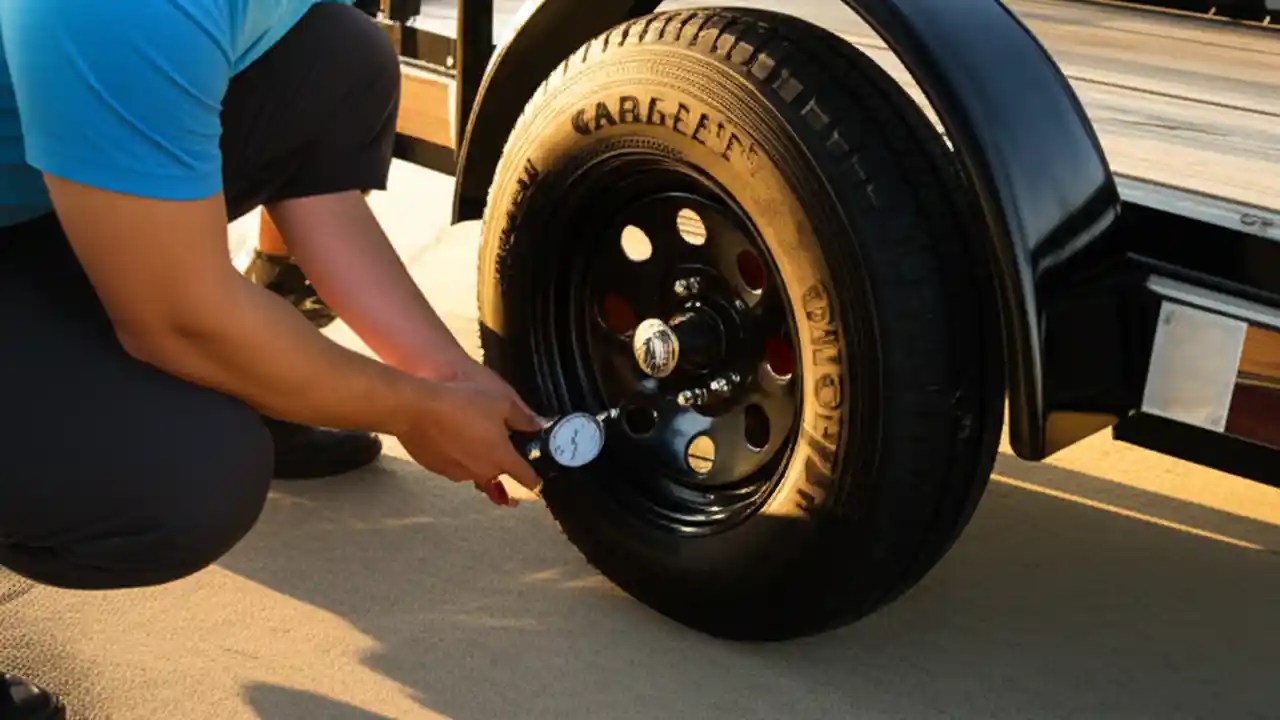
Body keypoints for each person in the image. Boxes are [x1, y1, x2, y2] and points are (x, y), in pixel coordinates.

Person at [0, 1, 545, 717]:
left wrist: (440, 376)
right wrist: (406, 407)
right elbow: (174, 322)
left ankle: (252, 362)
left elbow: (315, 187)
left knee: (334, 59)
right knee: (180, 479)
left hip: (45, 191)